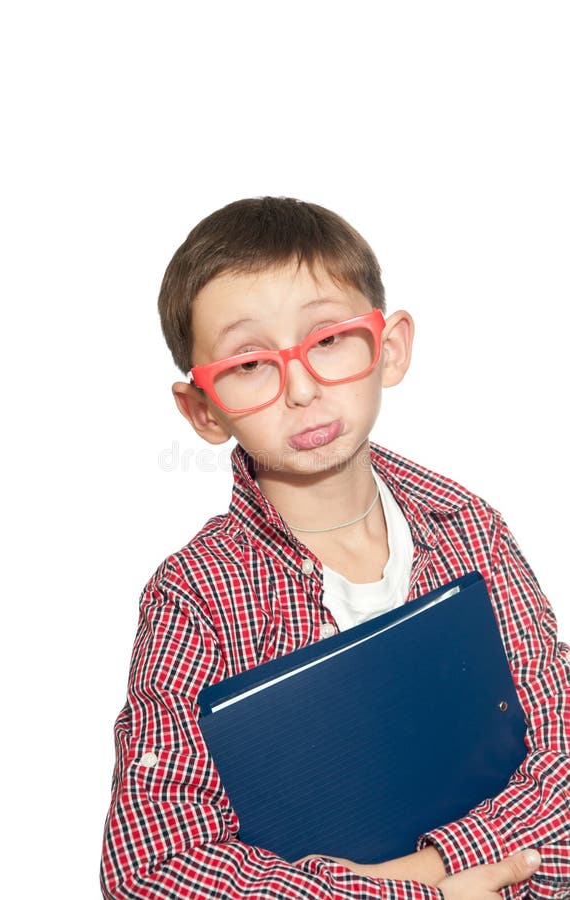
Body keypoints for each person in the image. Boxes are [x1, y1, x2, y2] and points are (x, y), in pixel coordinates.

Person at [100, 197, 569, 899]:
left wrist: (435, 868)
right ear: (203, 409)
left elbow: (561, 754)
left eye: (327, 339)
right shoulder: (195, 594)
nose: (302, 387)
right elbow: (153, 869)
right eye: (251, 362)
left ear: (389, 348)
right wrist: (419, 896)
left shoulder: (471, 528)